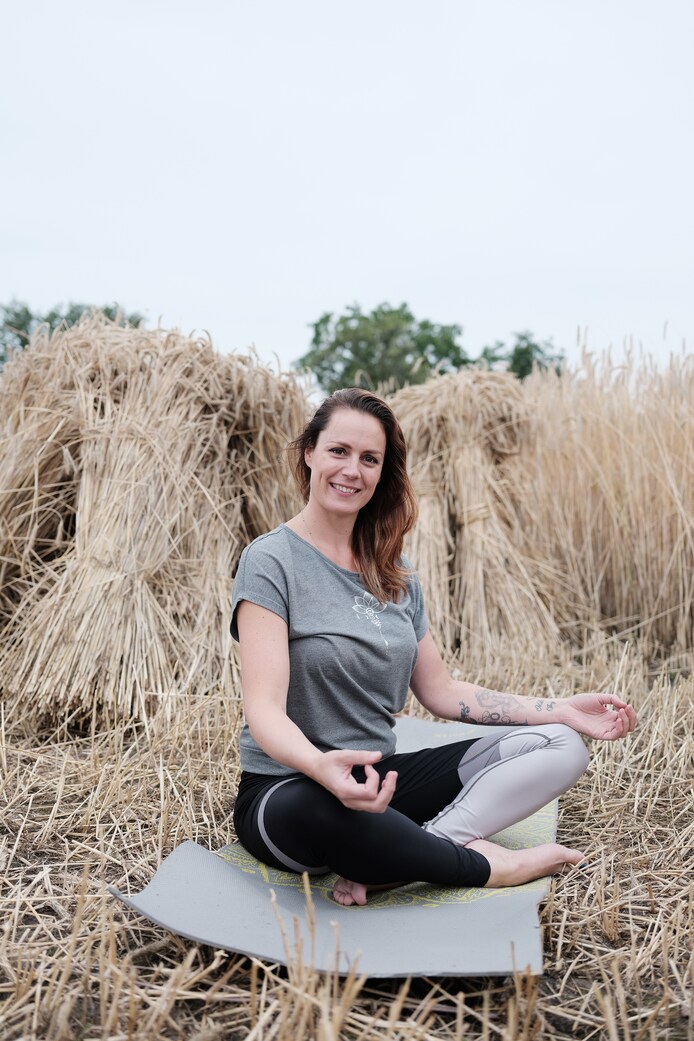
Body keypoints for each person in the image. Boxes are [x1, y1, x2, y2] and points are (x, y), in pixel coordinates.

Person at [231, 388, 636, 906]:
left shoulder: (396, 577)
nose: (351, 470)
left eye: (369, 459)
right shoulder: (270, 561)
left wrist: (560, 709)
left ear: (382, 474)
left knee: (560, 745)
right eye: (338, 451)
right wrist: (320, 767)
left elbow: (441, 692)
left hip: (377, 782)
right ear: (309, 452)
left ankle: (427, 846)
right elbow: (263, 710)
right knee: (330, 814)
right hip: (289, 789)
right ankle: (487, 866)